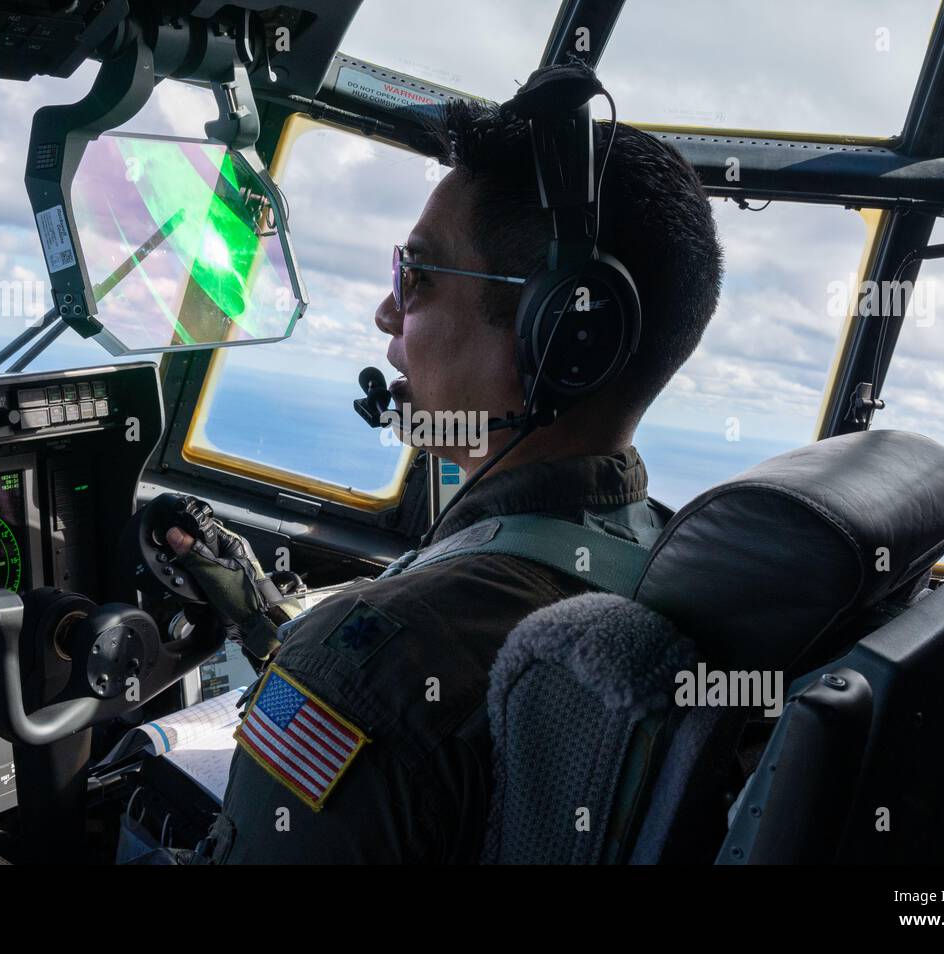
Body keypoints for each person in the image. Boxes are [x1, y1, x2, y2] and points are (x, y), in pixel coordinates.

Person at [166, 90, 724, 863]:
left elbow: (385, 692)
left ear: (566, 334)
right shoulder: (668, 559)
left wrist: (318, 658)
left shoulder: (351, 676)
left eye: (417, 273)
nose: (386, 313)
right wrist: (268, 626)